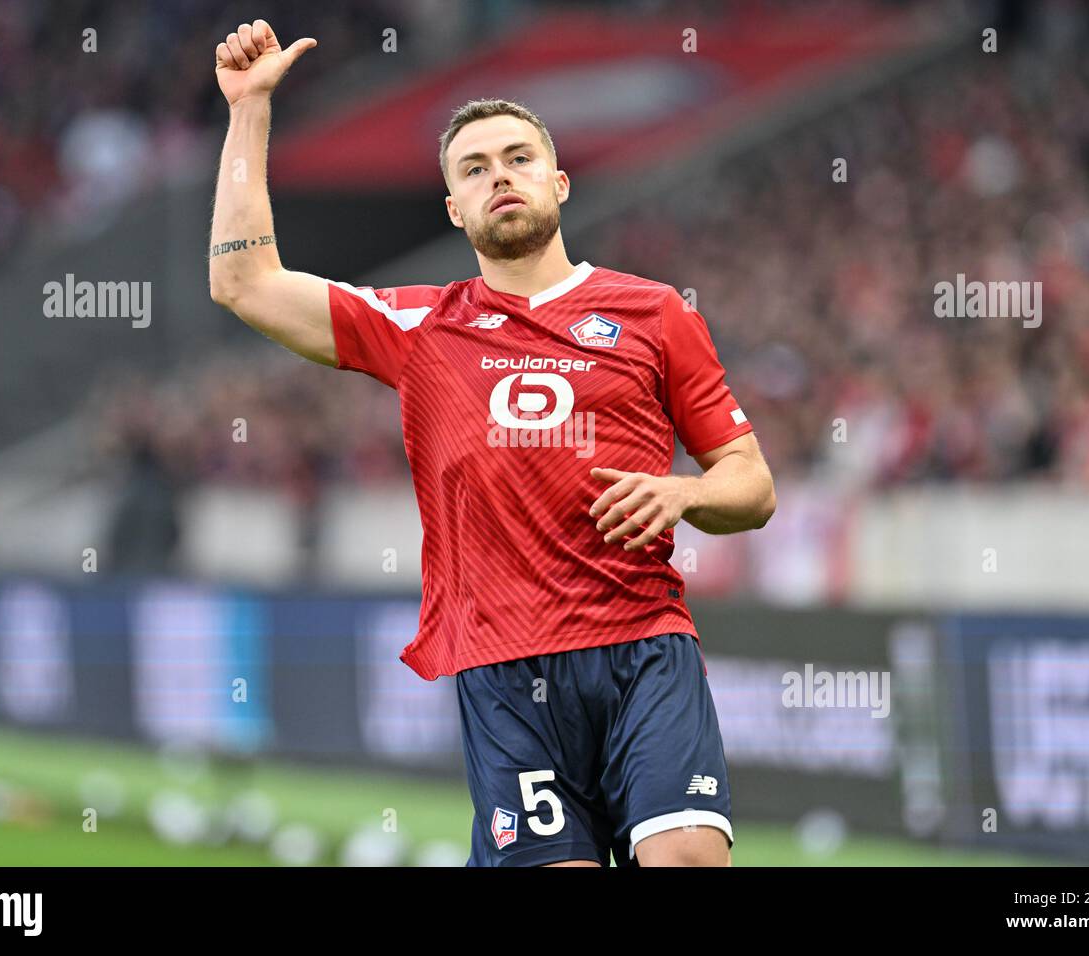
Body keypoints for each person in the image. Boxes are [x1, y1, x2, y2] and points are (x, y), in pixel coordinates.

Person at [208, 20, 776, 867]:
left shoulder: (655, 313)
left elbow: (752, 485)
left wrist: (683, 493)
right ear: (454, 208)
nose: (499, 177)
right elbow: (242, 281)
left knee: (689, 858)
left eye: (516, 158)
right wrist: (249, 110)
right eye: (474, 169)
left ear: (559, 180)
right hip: (508, 672)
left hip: (644, 648)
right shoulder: (422, 325)